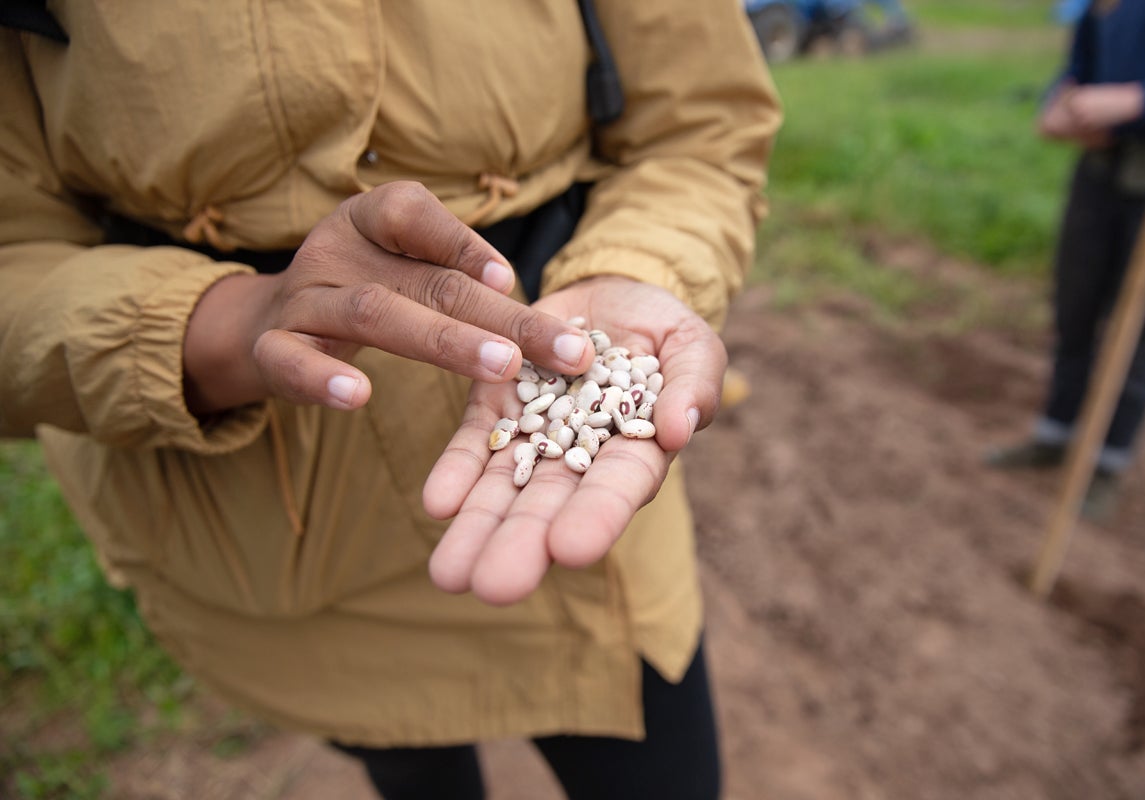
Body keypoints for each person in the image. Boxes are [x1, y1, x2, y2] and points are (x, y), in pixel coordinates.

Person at [0, 2, 781, 798]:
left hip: (579, 485)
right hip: (272, 527)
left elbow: (700, 123)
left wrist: (638, 265)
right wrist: (236, 326)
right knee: (402, 755)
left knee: (657, 766)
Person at [984, 0, 1145, 521]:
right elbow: (1079, 66)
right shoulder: (1105, 5)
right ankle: (1056, 434)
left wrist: (1136, 101)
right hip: (1099, 173)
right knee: (1074, 310)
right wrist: (1061, 104)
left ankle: (1104, 464)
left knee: (1136, 330)